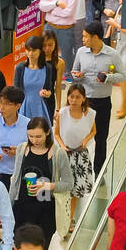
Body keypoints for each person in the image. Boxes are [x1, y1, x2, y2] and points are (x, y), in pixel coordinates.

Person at [70, 19, 125, 176]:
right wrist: (78, 76)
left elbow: (122, 76)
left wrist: (107, 77)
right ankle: (77, 170)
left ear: (95, 37)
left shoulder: (112, 55)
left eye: (86, 37)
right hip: (83, 102)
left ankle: (99, 171)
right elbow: (74, 72)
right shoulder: (81, 52)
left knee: (101, 139)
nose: (83, 39)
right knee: (79, 137)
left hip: (102, 103)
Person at [8, 116, 70, 250]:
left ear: (48, 132)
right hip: (22, 208)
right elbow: (16, 178)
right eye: (30, 136)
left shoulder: (58, 154)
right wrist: (8, 205)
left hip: (45, 210)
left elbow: (69, 183)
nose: (34, 140)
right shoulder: (22, 149)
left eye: (38, 136)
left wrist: (47, 186)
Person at [54, 81, 95, 236]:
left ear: (83, 98)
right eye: (71, 96)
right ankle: (62, 216)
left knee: (76, 190)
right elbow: (56, 133)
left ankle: (70, 218)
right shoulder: (62, 113)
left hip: (80, 156)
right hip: (65, 155)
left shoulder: (89, 114)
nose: (74, 100)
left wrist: (85, 141)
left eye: (78, 97)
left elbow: (93, 131)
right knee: (64, 189)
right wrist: (63, 146)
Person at [14, 33, 55, 124]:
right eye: (28, 50)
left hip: (40, 106)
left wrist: (46, 93)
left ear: (40, 51)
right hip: (24, 106)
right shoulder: (20, 67)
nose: (30, 53)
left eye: (33, 50)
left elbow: (49, 89)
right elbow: (16, 91)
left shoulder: (47, 68)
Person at [43, 30, 65, 110]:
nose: (47, 49)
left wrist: (58, 107)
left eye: (50, 45)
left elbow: (58, 86)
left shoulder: (59, 63)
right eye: (44, 45)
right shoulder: (35, 59)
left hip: (49, 99)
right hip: (36, 98)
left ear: (55, 44)